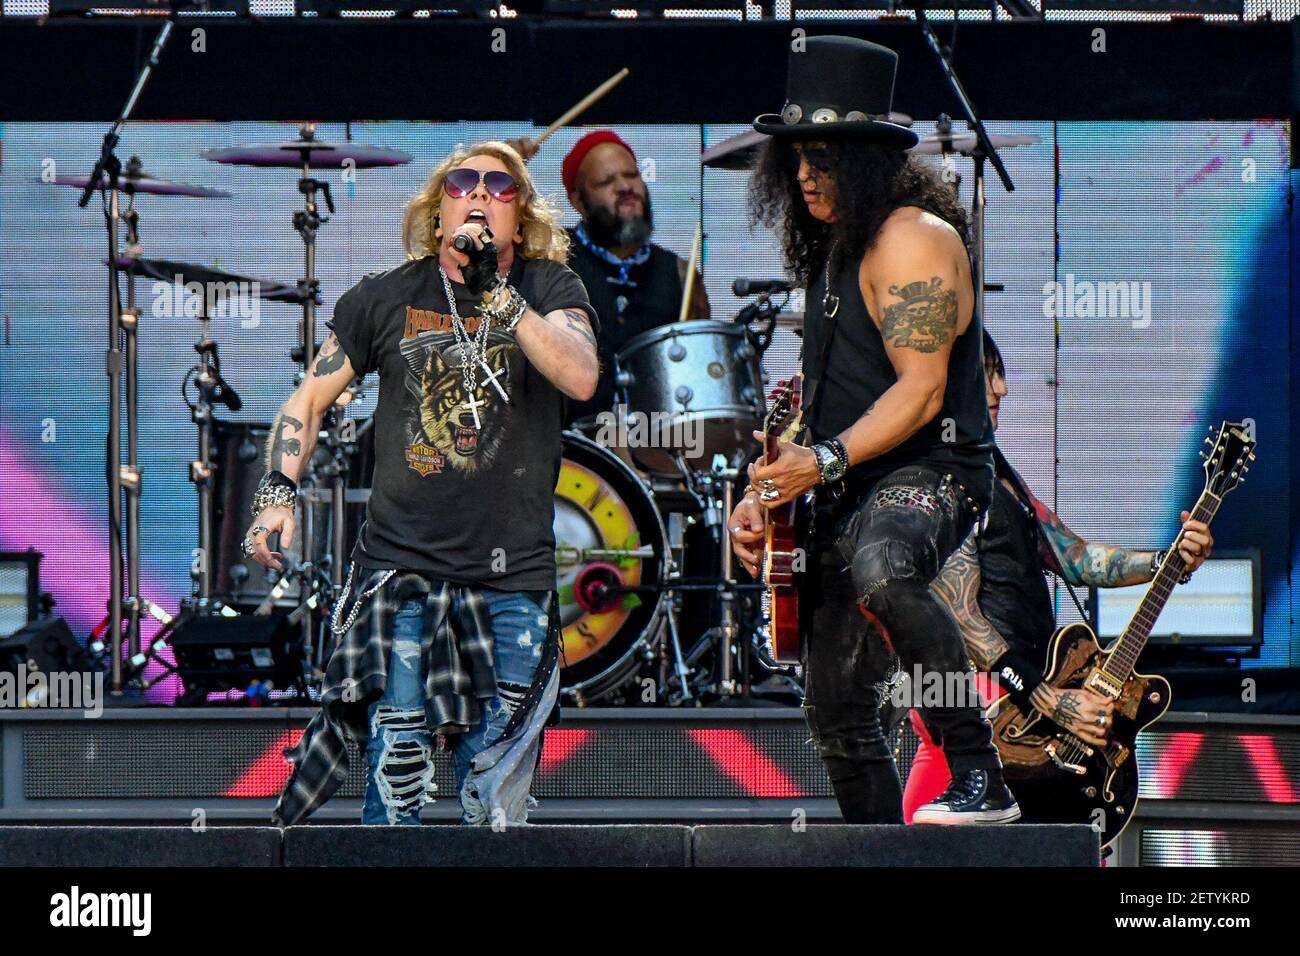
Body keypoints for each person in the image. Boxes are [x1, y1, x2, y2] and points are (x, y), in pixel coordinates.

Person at [244, 141, 599, 826]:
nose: (479, 192)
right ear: (438, 215)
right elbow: (307, 403)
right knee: (395, 780)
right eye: (463, 182)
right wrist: (275, 497)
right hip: (401, 574)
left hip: (511, 582)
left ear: (519, 220)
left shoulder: (551, 290)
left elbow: (580, 374)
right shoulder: (382, 297)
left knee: (496, 806)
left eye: (501, 186)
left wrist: (497, 293)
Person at [729, 35, 1019, 824]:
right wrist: (767, 493)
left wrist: (818, 461)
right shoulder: (834, 255)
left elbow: (924, 394)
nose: (804, 175)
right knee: (835, 713)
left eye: (821, 159)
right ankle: (880, 856)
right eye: (794, 159)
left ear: (863, 161)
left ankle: (980, 771)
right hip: (846, 481)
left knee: (885, 565)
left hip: (934, 468)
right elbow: (832, 402)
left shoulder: (912, 238)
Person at [907, 331, 1215, 822]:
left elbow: (1073, 557)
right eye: (989, 372)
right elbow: (960, 617)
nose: (1002, 389)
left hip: (1026, 706)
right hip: (985, 706)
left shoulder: (994, 471)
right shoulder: (935, 479)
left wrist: (1167, 560)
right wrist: (1050, 700)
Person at [558, 129, 710, 426]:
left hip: (659, 451)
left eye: (632, 175)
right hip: (569, 456)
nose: (625, 187)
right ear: (577, 200)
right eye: (606, 181)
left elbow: (699, 377)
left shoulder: (681, 275)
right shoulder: (551, 260)